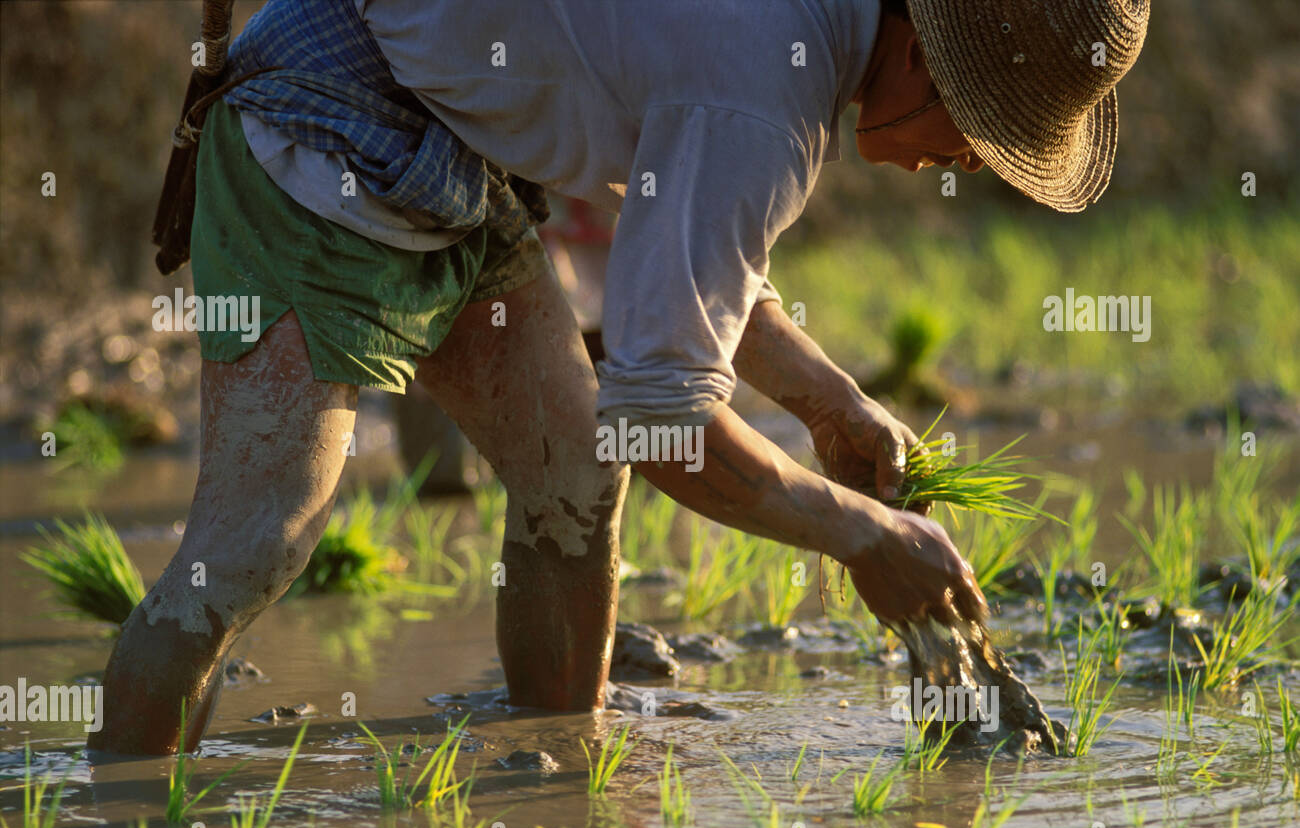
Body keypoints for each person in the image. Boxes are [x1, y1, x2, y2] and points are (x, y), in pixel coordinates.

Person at [90, 0, 1148, 755]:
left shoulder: (793, 47)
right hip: (322, 116)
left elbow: (686, 279)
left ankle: (546, 772)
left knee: (574, 488)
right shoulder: (766, 91)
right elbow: (661, 420)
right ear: (923, 62)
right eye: (979, 140)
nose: (961, 168)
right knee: (255, 539)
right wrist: (863, 536)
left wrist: (828, 399)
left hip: (458, 148)